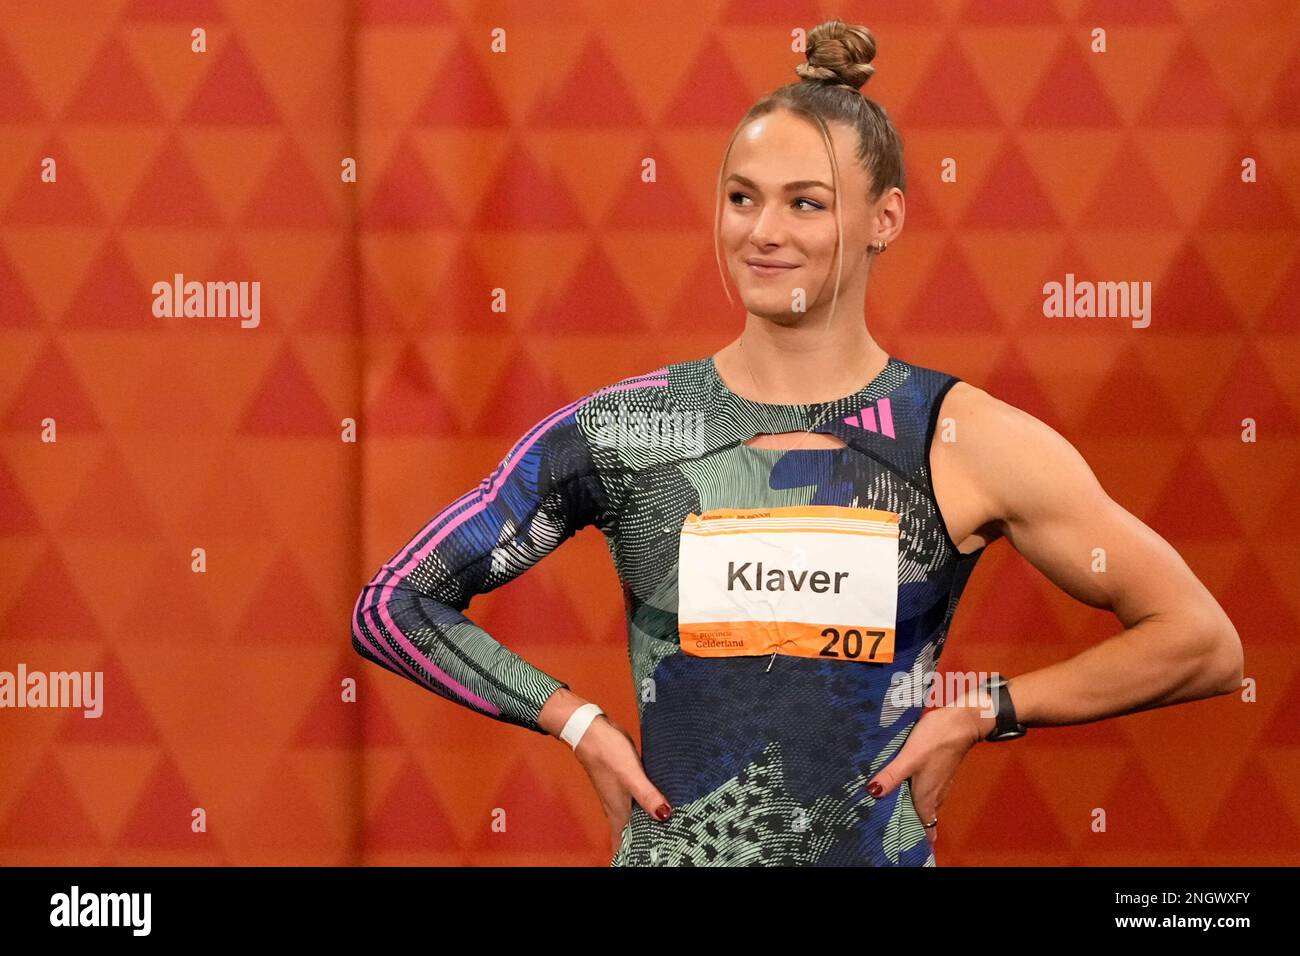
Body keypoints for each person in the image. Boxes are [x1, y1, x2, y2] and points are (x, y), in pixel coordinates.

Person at [351, 19, 1243, 866]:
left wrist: (984, 709)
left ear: (885, 219)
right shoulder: (632, 429)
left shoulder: (960, 438)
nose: (763, 232)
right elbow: (395, 605)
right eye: (741, 199)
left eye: (805, 204)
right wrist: (575, 721)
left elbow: (1200, 642)